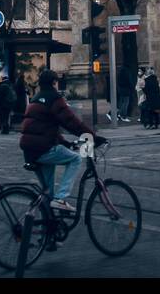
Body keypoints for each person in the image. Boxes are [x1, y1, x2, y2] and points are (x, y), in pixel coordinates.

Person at [18, 69, 100, 213]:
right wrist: (92, 136)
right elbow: (70, 122)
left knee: (47, 193)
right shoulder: (54, 98)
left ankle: (46, 228)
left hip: (31, 152)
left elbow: (44, 128)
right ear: (54, 83)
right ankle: (61, 198)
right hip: (43, 149)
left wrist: (65, 143)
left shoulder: (36, 98)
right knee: (75, 159)